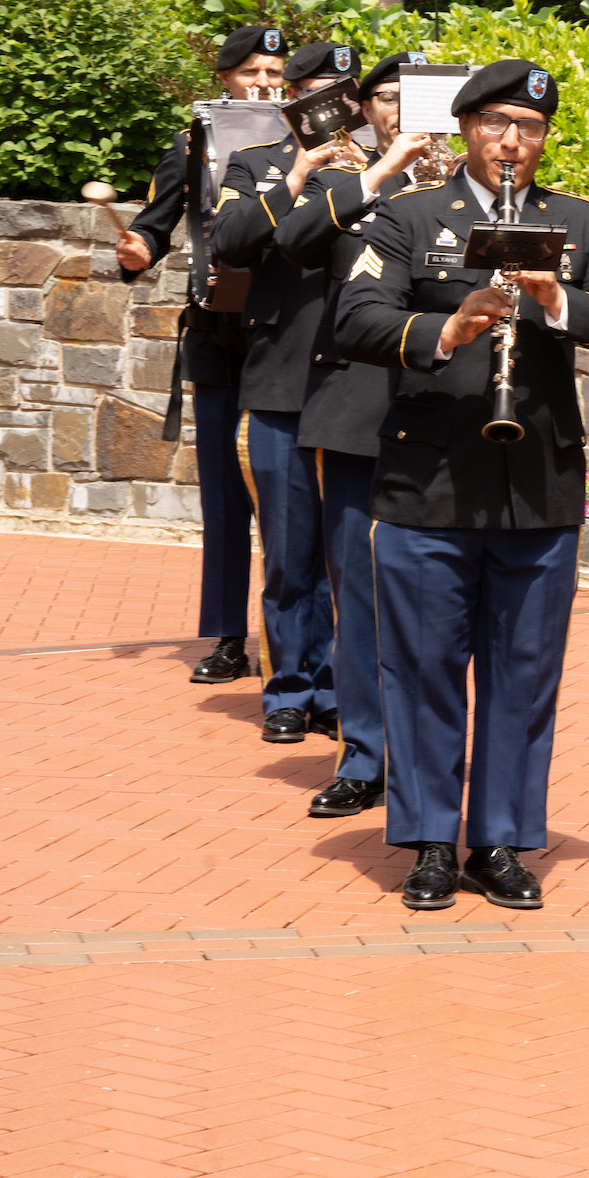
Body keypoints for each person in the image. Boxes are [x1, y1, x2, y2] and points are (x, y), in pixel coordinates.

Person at [336, 58, 589, 911]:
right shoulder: (406, 218)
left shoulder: (578, 224)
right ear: (468, 127)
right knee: (424, 668)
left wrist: (557, 301)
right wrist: (448, 327)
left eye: (532, 127)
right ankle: (433, 841)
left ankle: (503, 841)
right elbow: (356, 319)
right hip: (427, 483)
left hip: (534, 486)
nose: (514, 141)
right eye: (498, 123)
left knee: (523, 673)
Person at [272, 49, 451, 817]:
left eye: (416, 101)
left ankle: (433, 757)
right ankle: (365, 753)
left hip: (445, 417)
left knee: (441, 601)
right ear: (364, 108)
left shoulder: (470, 190)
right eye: (385, 98)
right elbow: (292, 242)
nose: (399, 112)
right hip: (355, 417)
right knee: (359, 596)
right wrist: (378, 178)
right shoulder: (347, 182)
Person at [115, 23, 284, 684]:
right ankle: (226, 636)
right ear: (225, 80)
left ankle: (289, 640)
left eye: (274, 75)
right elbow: (152, 228)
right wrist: (138, 251)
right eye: (252, 74)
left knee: (291, 499)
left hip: (289, 341)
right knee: (224, 497)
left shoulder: (318, 148)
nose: (264, 84)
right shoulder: (193, 146)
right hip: (219, 339)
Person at [209, 40, 361, 745]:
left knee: (346, 553)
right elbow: (231, 241)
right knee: (289, 550)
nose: (333, 102)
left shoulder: (383, 168)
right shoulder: (257, 164)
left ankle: (338, 689)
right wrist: (298, 170)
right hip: (281, 381)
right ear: (295, 96)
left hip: (358, 385)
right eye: (317, 89)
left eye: (344, 90)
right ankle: (288, 690)